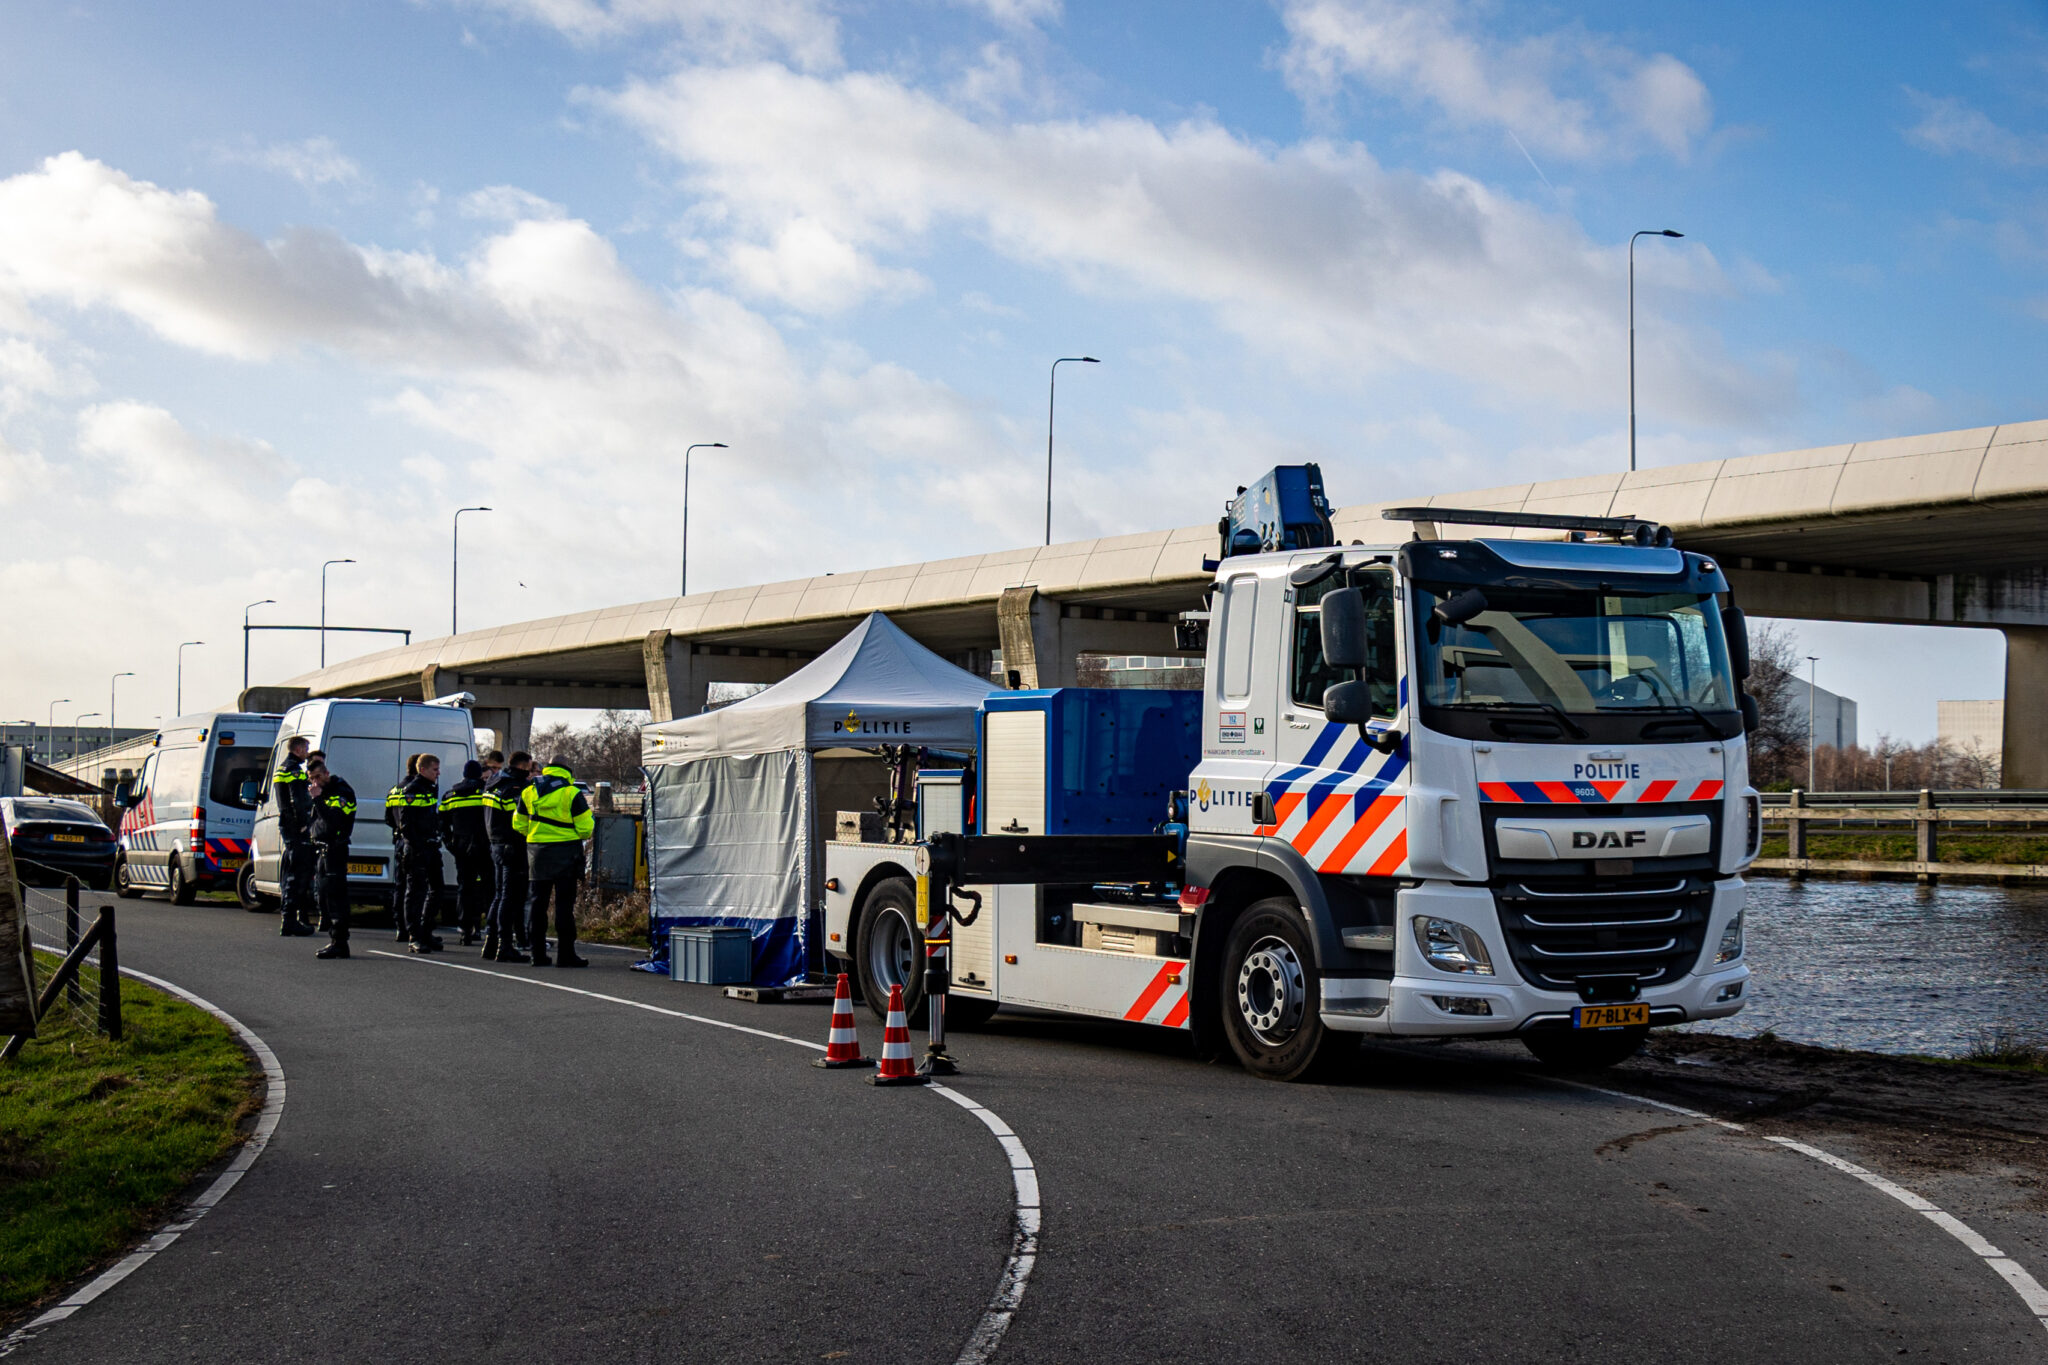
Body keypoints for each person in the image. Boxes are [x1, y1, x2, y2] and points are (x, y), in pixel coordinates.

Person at [514, 756, 593, 968]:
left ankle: (537, 954)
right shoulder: (571, 793)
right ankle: (566, 955)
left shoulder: (529, 791)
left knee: (537, 905)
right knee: (564, 906)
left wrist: (538, 835)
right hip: (566, 854)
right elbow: (586, 829)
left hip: (537, 854)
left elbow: (518, 824)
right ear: (567, 771)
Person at [482, 751, 534, 962]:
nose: (531, 774)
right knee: (509, 898)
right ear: (523, 767)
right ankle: (504, 946)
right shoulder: (517, 789)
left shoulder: (493, 782)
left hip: (495, 845)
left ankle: (491, 943)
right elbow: (520, 821)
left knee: (499, 895)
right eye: (529, 769)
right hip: (512, 847)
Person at [307, 757, 356, 960]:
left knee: (336, 898)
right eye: (312, 779)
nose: (315, 782)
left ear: (327, 773)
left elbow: (333, 821)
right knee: (325, 896)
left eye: (318, 777)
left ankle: (340, 942)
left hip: (335, 850)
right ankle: (335, 939)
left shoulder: (341, 792)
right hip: (323, 850)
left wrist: (317, 798)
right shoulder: (326, 792)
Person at [397, 754, 446, 954]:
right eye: (435, 769)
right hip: (417, 849)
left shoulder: (429, 788)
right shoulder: (413, 790)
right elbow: (406, 825)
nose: (438, 773)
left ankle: (426, 931)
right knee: (415, 893)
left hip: (431, 847)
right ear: (423, 770)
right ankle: (415, 936)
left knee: (437, 889)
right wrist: (417, 847)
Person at [441, 759, 493, 946]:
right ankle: (490, 928)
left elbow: (442, 823)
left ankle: (465, 929)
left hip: (461, 847)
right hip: (484, 846)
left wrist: (450, 844)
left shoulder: (450, 795)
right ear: (479, 774)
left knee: (465, 887)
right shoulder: (487, 792)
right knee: (489, 887)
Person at [272, 736, 316, 937]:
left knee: (292, 870)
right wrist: (304, 824)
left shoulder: (281, 769)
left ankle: (289, 918)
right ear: (298, 749)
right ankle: (290, 919)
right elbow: (298, 800)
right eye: (306, 748)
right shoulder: (294, 771)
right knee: (297, 873)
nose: (307, 752)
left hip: (287, 825)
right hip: (296, 827)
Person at [385, 753, 420, 942]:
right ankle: (411, 925)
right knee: (413, 886)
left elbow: (388, 819)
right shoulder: (416, 789)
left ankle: (400, 926)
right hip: (412, 842)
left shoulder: (394, 790)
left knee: (400, 884)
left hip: (398, 840)